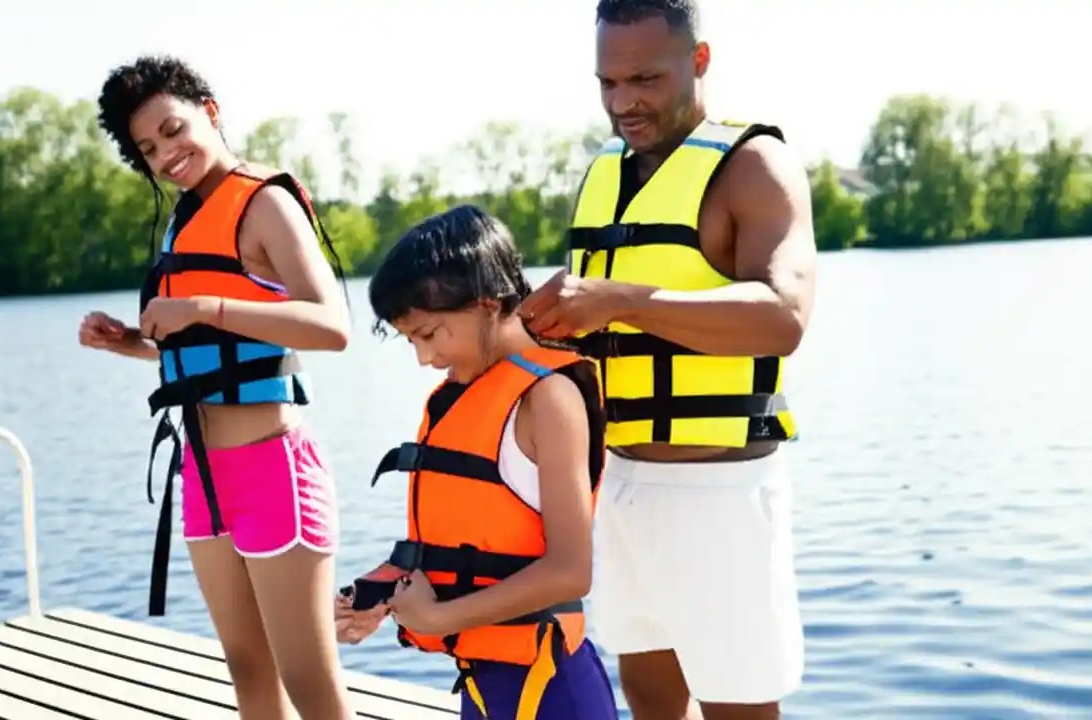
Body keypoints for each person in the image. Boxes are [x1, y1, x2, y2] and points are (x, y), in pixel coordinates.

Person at [518, 1, 818, 719]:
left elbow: (783, 319)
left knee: (737, 707)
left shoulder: (754, 165)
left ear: (700, 62)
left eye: (645, 79)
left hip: (721, 496)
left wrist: (620, 300)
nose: (625, 102)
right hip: (618, 485)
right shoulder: (603, 174)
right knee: (651, 703)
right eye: (608, 83)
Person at [81, 55, 353, 720]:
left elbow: (331, 326)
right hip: (203, 475)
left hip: (272, 467)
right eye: (148, 148)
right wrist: (132, 345)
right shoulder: (185, 218)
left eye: (172, 130)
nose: (165, 154)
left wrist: (204, 307)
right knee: (246, 666)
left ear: (208, 108)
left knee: (307, 677)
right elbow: (212, 360)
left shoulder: (265, 203)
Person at [332, 205, 619, 720]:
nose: (424, 358)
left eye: (429, 334)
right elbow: (454, 547)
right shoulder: (457, 399)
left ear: (487, 304)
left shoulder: (547, 399)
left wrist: (441, 618)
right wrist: (376, 591)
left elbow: (571, 572)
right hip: (483, 686)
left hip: (550, 687)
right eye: (411, 340)